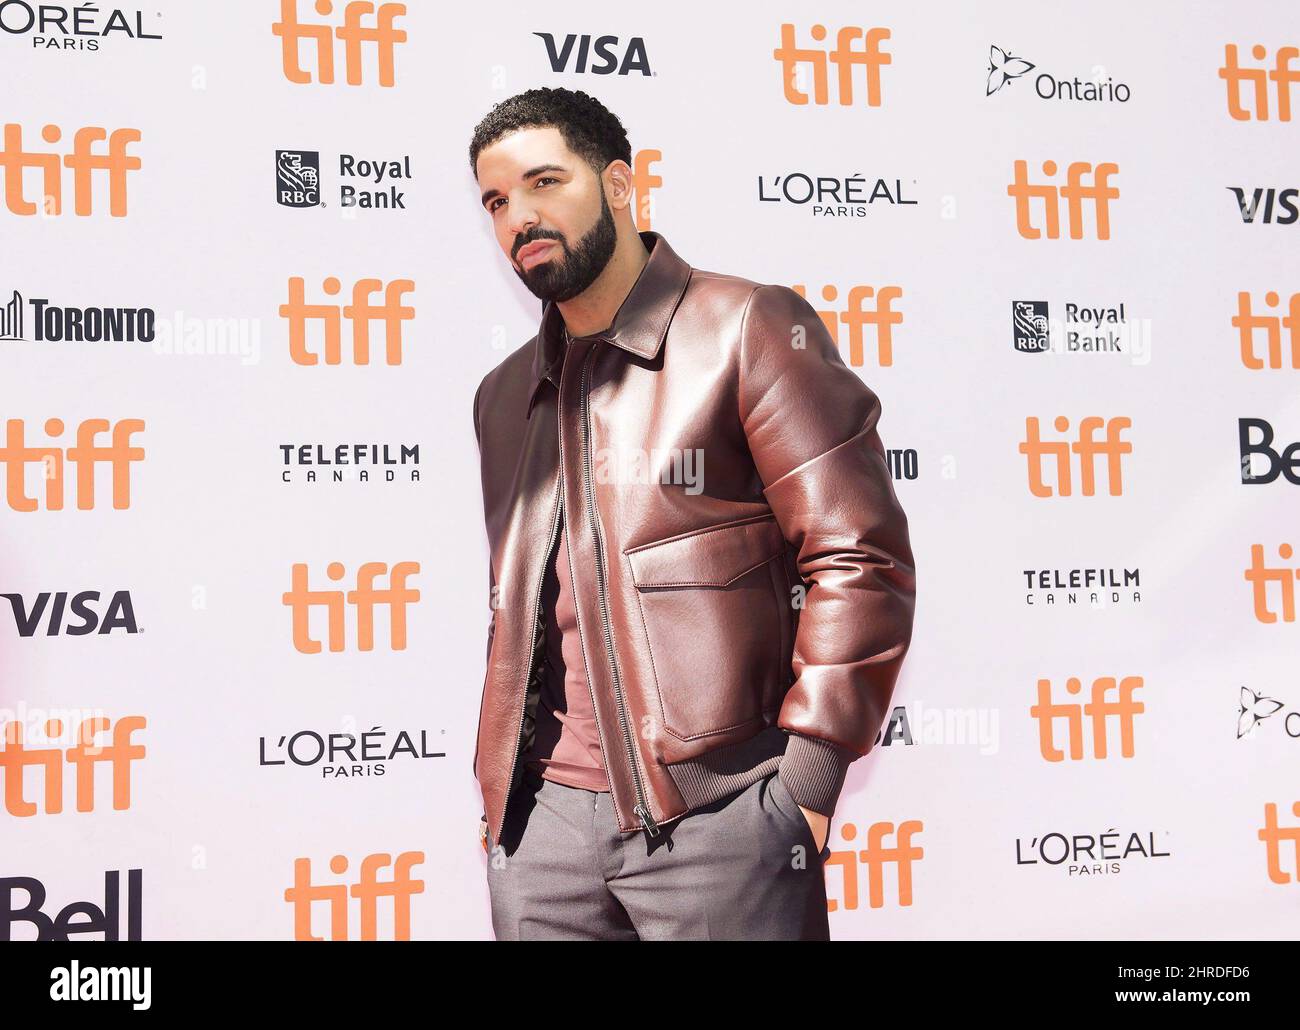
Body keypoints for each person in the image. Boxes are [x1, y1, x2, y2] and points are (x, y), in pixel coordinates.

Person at [466, 87, 916, 940]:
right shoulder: (502, 397)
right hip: (540, 837)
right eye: (496, 201)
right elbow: (525, 608)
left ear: (621, 185)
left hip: (725, 819)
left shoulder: (745, 327)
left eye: (544, 182)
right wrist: (499, 795)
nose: (519, 216)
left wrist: (805, 788)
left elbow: (859, 556)